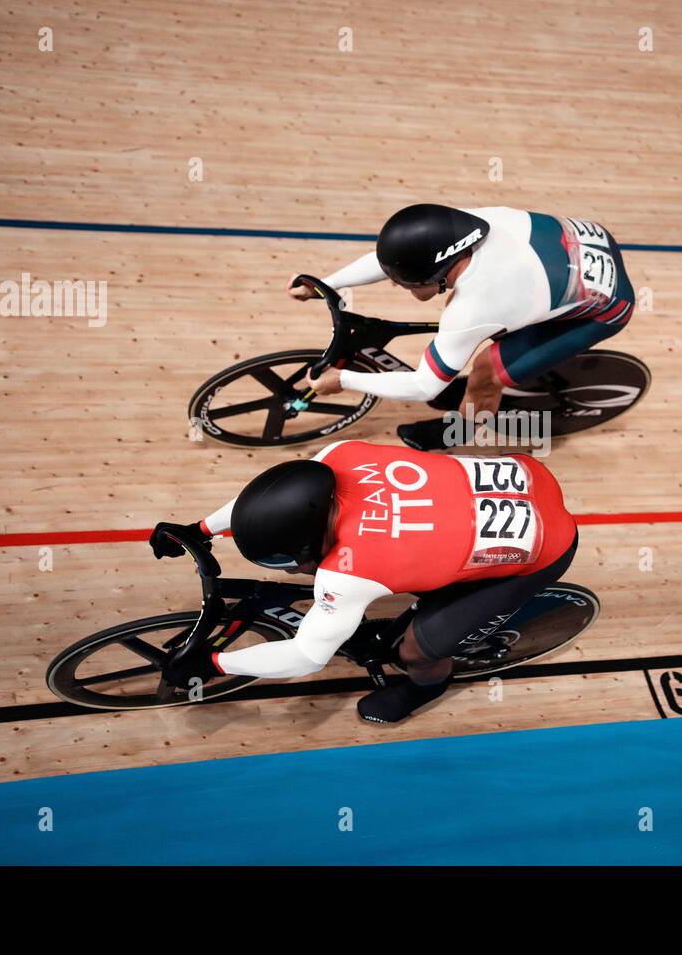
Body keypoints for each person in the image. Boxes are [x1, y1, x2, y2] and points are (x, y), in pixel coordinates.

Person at [148, 440, 579, 723]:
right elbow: (270, 496)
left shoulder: (350, 573)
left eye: (286, 561)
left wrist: (217, 664)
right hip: (527, 475)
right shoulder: (339, 456)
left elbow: (306, 657)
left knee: (416, 650)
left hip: (548, 546)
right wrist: (200, 528)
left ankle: (426, 686)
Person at [290, 204, 636, 450]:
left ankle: (458, 433)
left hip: (605, 308)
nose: (395, 283)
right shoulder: (463, 226)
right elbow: (398, 257)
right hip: (579, 247)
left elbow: (424, 386)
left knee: (484, 373)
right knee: (472, 330)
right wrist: (325, 283)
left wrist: (344, 381)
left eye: (405, 283)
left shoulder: (474, 307)